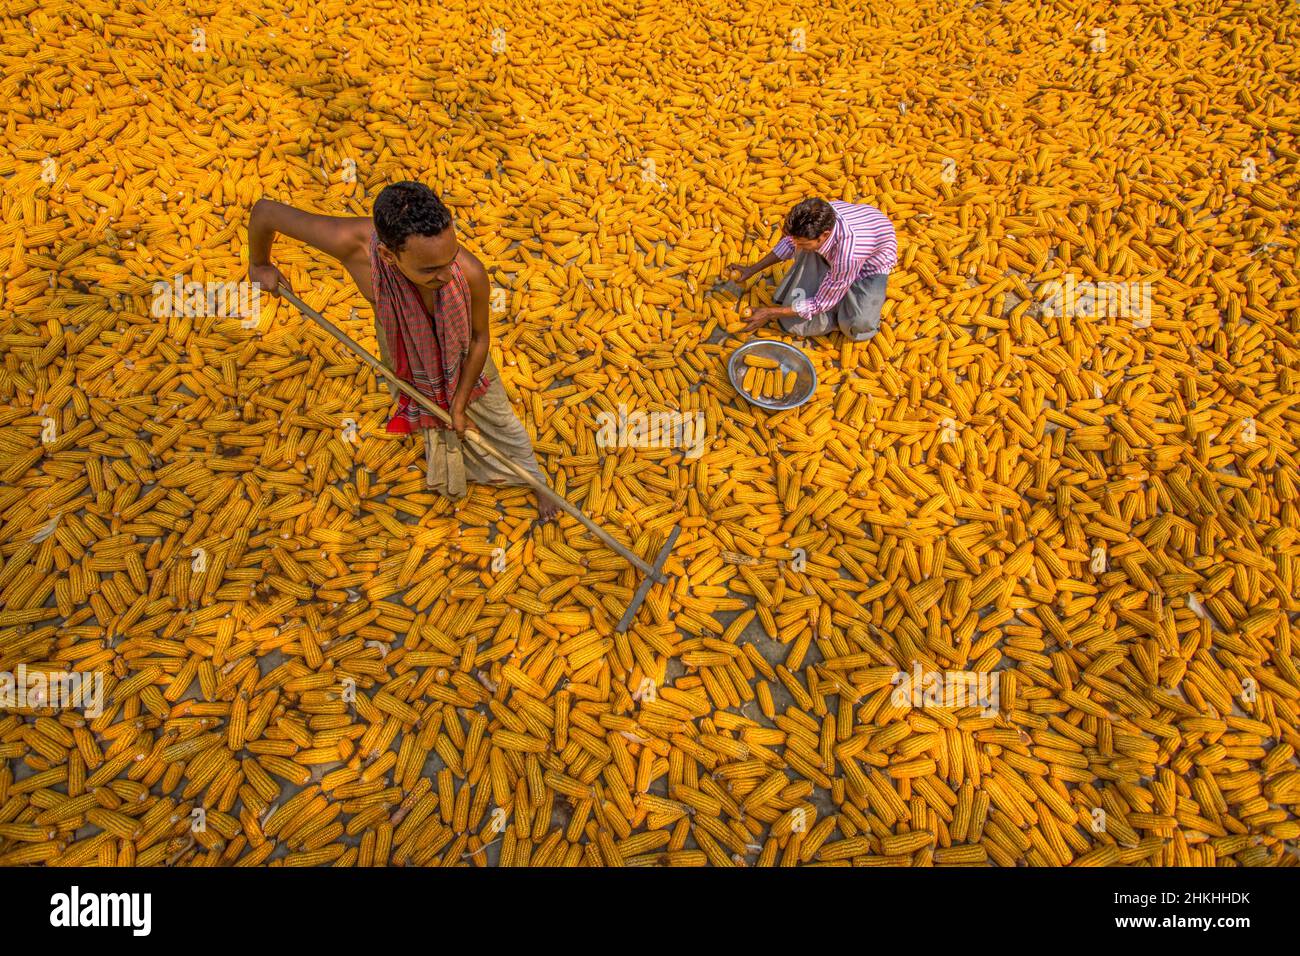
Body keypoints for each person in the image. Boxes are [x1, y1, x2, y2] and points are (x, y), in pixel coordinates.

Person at [247, 182, 558, 520]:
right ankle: (455, 457)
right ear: (387, 256)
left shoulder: (469, 273)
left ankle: (534, 480)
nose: (444, 275)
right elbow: (266, 212)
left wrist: (459, 402)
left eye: (448, 260)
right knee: (424, 404)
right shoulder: (349, 243)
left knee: (500, 420)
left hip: (462, 351)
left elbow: (480, 339)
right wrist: (260, 264)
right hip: (402, 345)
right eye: (428, 270)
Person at [728, 197, 897, 342]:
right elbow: (789, 243)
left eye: (802, 243)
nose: (796, 245)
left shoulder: (848, 253)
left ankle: (839, 302)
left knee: (858, 325)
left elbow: (820, 303)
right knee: (806, 255)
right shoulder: (816, 216)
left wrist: (770, 313)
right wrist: (752, 269)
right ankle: (836, 287)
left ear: (824, 235)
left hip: (870, 265)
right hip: (845, 247)